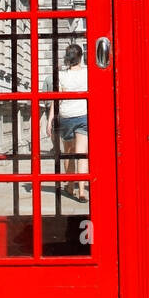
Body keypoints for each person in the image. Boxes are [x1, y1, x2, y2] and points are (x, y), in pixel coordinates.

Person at [46, 44, 88, 201]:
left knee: (69, 153)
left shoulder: (62, 75)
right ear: (81, 56)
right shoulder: (87, 73)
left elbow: (56, 100)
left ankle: (70, 186)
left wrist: (50, 120)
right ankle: (82, 191)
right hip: (83, 115)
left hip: (66, 117)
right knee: (82, 155)